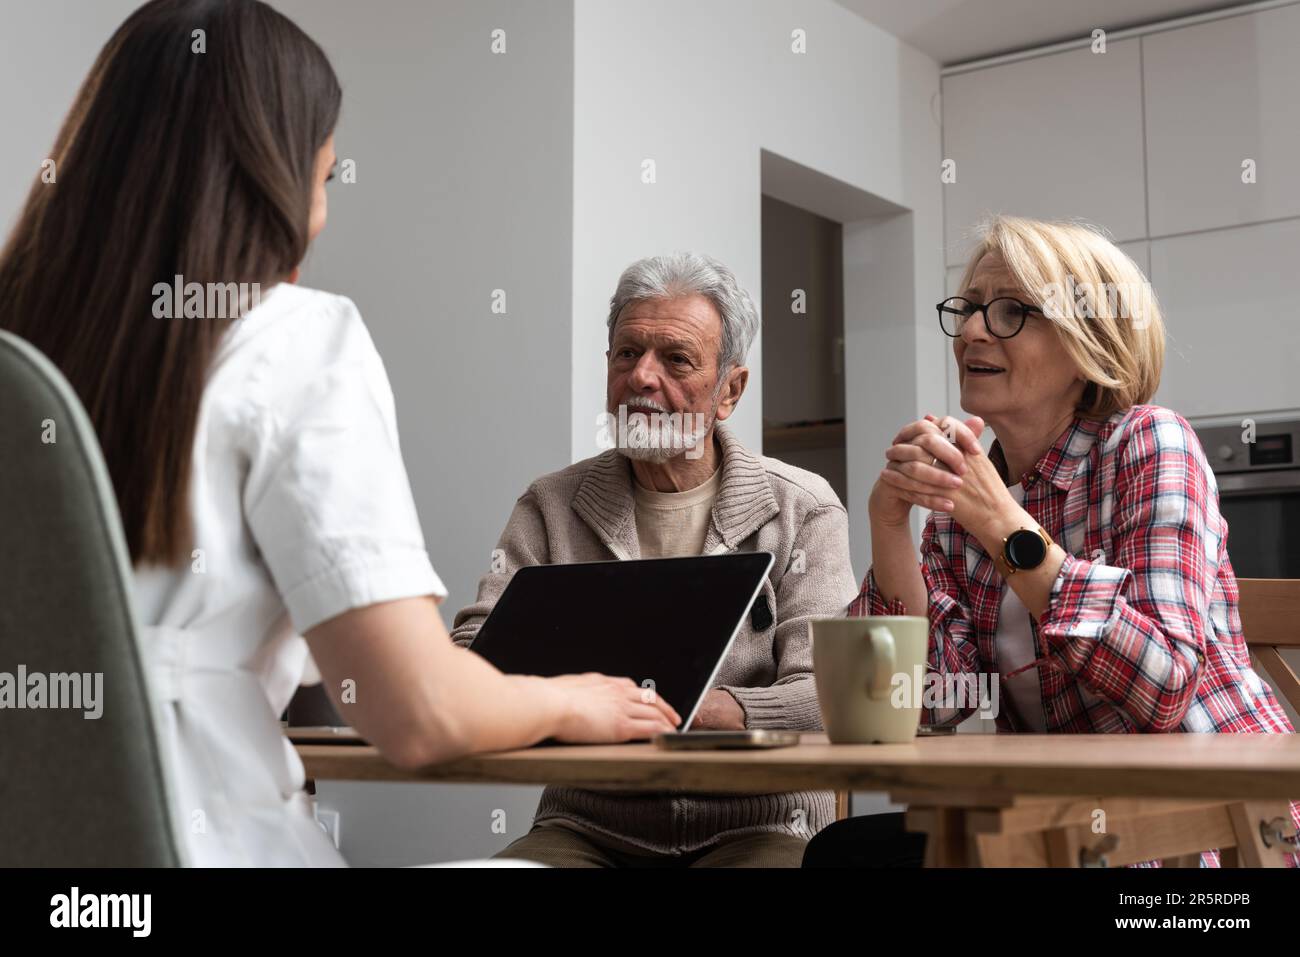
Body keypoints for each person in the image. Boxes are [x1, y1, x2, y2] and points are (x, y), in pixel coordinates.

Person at [0, 0, 677, 867]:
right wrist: (568, 701)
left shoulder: (24, 358)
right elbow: (416, 709)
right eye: (322, 180)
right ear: (267, 179)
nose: (318, 218)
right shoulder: (295, 338)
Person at [805, 215, 1299, 868]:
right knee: (845, 854)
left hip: (1213, 837)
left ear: (1085, 344)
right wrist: (889, 526)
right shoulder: (964, 504)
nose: (975, 329)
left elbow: (1164, 685)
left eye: (1012, 311)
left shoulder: (1149, 444)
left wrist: (1004, 525)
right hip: (1062, 827)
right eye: (971, 308)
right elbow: (916, 705)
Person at [451, 252, 859, 867]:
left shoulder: (802, 507)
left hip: (761, 826)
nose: (642, 376)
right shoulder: (551, 505)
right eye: (626, 353)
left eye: (676, 359)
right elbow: (468, 664)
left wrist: (693, 709)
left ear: (730, 390)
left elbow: (830, 695)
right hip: (585, 824)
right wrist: (574, 704)